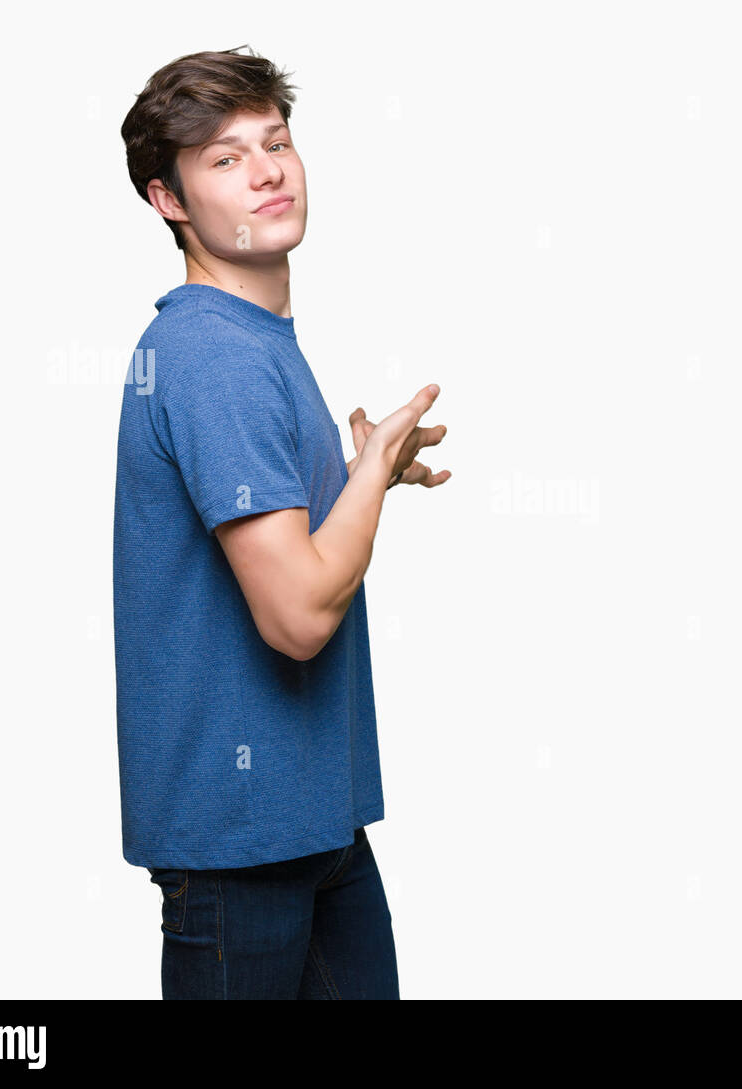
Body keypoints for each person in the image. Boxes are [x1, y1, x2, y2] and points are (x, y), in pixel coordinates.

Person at [113, 45, 450, 999]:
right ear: (168, 201)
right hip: (241, 847)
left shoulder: (252, 344)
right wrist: (373, 479)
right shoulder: (210, 351)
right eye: (223, 158)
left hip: (316, 825)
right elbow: (297, 617)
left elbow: (278, 551)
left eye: (277, 141)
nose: (266, 170)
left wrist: (352, 482)